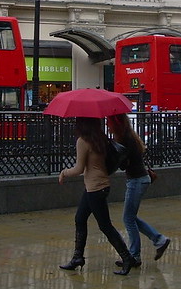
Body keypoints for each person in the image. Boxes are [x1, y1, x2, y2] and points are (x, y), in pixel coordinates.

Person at [58, 117, 136, 275]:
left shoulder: (83, 141)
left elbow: (79, 169)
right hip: (98, 186)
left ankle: (127, 258)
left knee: (105, 225)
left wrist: (64, 172)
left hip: (95, 188)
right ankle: (77, 257)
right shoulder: (101, 138)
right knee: (80, 218)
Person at [107, 113, 170, 268]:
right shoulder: (129, 137)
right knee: (131, 217)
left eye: (109, 123)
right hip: (140, 179)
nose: (108, 125)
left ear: (117, 124)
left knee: (128, 218)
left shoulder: (124, 140)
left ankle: (135, 256)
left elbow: (121, 164)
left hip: (136, 180)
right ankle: (159, 240)